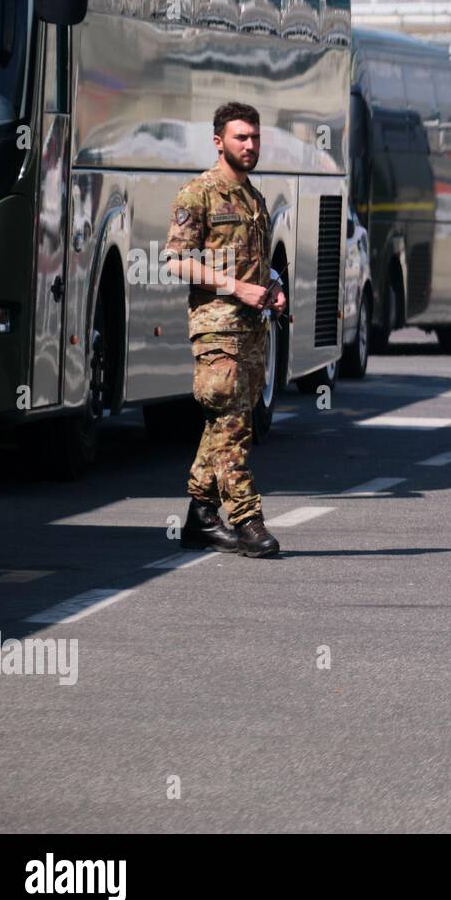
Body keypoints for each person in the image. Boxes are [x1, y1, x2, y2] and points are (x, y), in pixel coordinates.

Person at [164, 101, 285, 558]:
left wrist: (271, 287)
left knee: (228, 423)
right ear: (219, 142)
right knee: (233, 424)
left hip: (253, 328)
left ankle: (200, 514)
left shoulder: (254, 198)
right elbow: (176, 261)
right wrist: (237, 287)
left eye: (255, 137)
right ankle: (248, 521)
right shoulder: (197, 194)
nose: (250, 145)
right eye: (241, 137)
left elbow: (257, 265)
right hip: (217, 329)